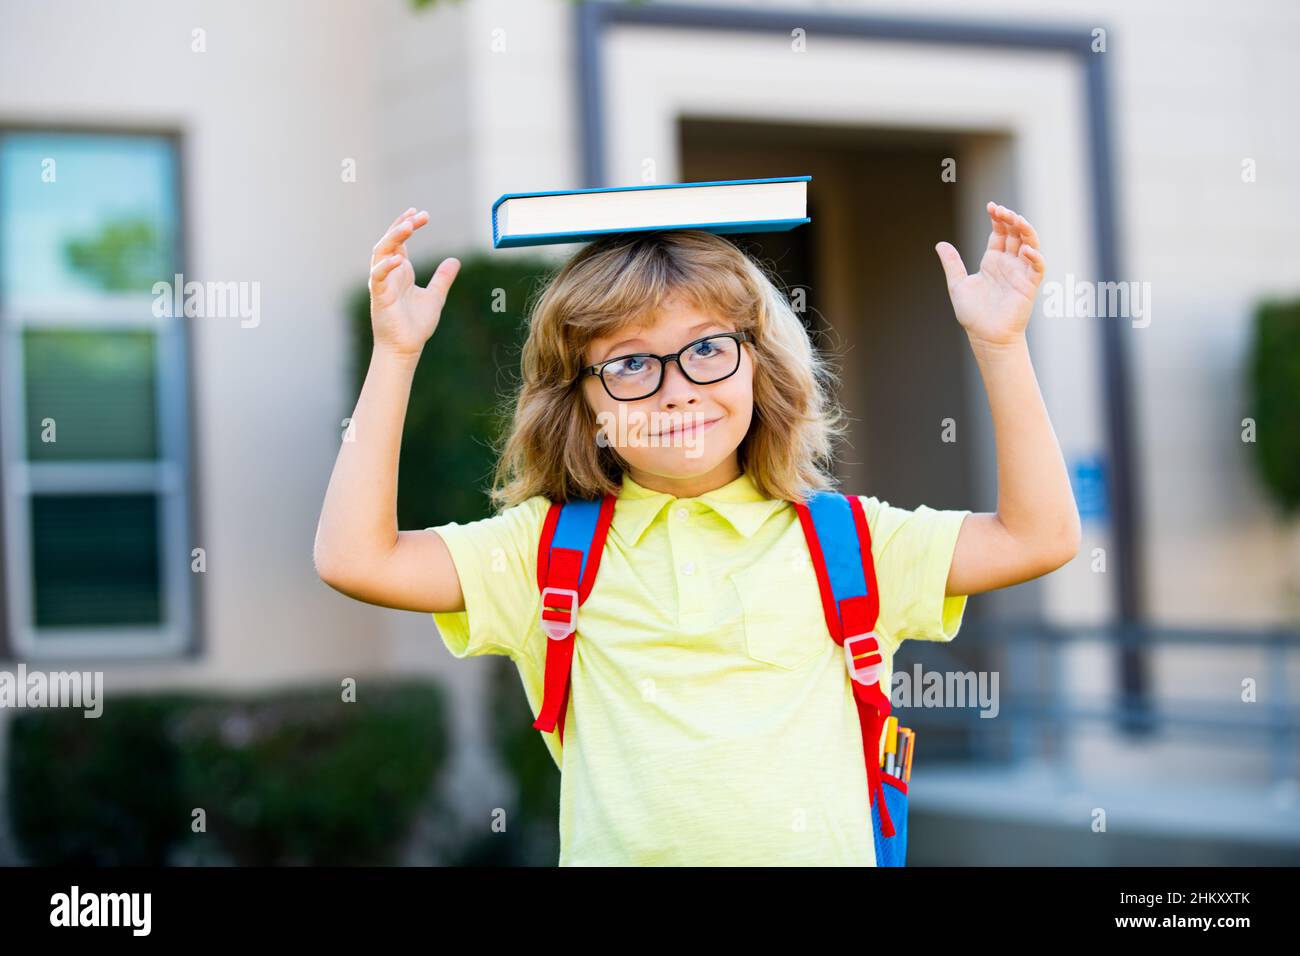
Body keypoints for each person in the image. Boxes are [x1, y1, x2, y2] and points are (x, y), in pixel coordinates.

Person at [313, 202, 1080, 865]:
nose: (678, 389)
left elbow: (1038, 537)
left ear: (758, 365)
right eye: (631, 364)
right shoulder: (542, 553)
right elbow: (355, 559)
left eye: (709, 349)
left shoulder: (848, 542)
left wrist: (1001, 345)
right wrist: (397, 354)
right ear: (582, 404)